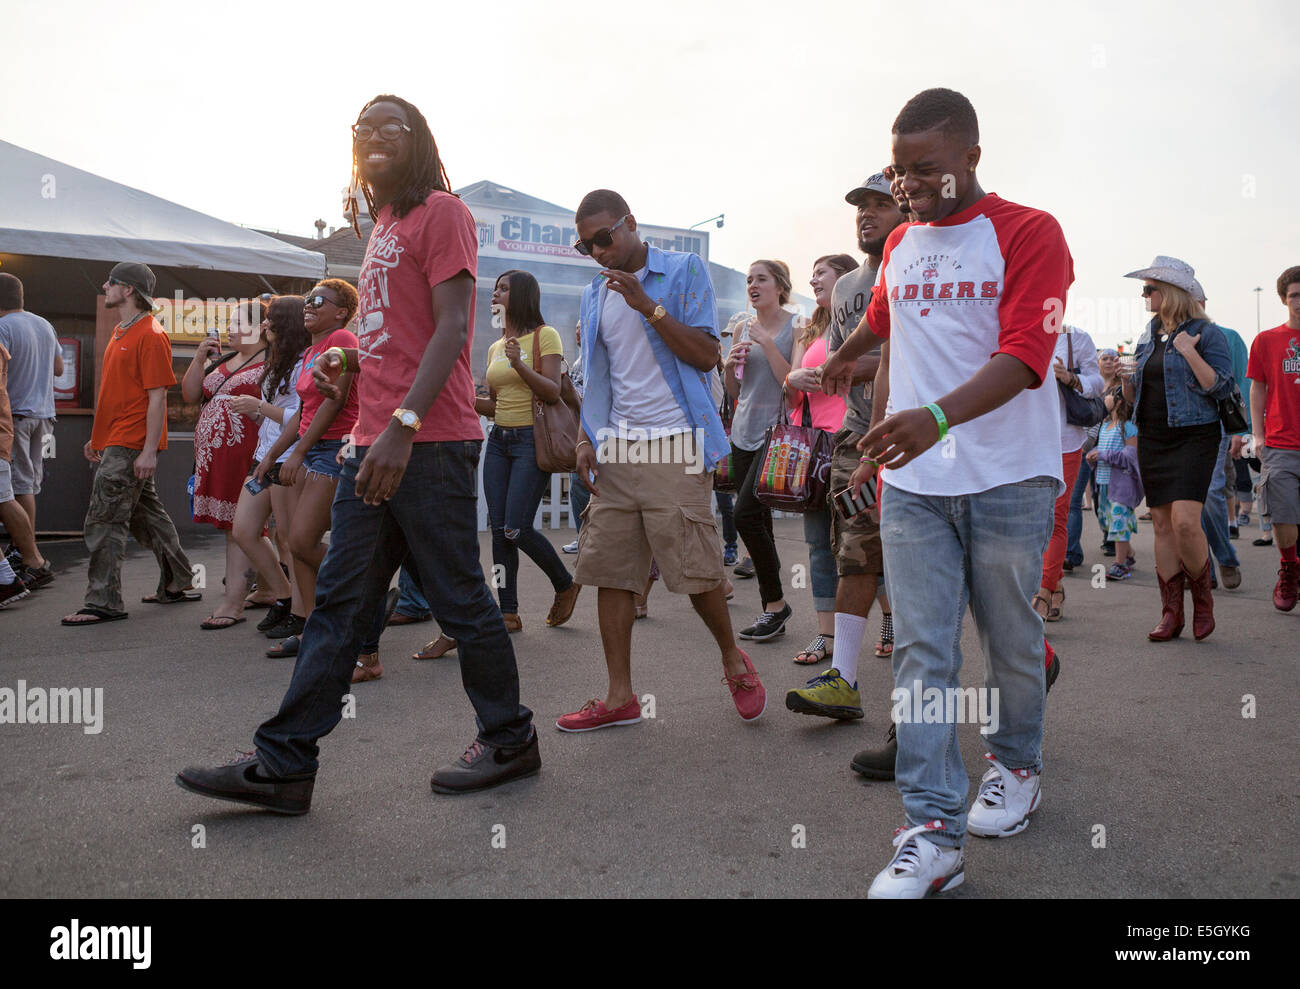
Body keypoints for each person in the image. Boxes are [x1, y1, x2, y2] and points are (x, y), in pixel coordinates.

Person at [177, 94, 537, 811]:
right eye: (361, 128)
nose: (373, 137)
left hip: (427, 443)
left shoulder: (442, 212)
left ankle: (509, 739)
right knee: (341, 607)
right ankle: (285, 763)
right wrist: (361, 381)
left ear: (419, 139)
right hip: (370, 445)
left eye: (389, 127)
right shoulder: (382, 223)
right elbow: (394, 336)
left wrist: (403, 422)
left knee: (462, 598)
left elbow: (453, 327)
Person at [821, 89, 1073, 898]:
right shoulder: (901, 241)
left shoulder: (1030, 232)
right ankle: (932, 832)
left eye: (925, 168)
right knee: (925, 650)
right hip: (916, 481)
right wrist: (843, 357)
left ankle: (1016, 765)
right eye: (898, 170)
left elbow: (1027, 354)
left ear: (970, 155)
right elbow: (890, 323)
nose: (908, 184)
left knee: (1009, 636)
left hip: (1006, 473)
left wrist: (935, 417)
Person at [556, 188, 764, 732]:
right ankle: (619, 696)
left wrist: (647, 306)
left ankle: (732, 659)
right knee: (610, 571)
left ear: (630, 223)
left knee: (696, 572)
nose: (599, 251)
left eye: (604, 237)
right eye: (586, 246)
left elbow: (705, 354)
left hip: (674, 443)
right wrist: (585, 440)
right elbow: (598, 380)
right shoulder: (593, 296)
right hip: (617, 449)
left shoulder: (682, 270)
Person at [788, 173, 905, 756]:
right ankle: (845, 681)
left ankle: (1032, 656)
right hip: (856, 438)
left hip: (918, 436)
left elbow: (902, 354)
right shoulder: (850, 286)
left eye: (880, 205)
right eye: (861, 206)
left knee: (919, 566)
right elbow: (842, 358)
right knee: (854, 555)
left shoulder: (918, 267)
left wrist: (850, 366)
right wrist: (817, 373)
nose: (867, 215)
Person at [62, 263, 195, 626]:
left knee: (105, 519)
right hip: (119, 441)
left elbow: (157, 399)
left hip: (131, 442)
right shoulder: (124, 330)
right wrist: (100, 438)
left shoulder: (150, 334)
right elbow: (121, 395)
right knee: (145, 515)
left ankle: (103, 601)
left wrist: (149, 450)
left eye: (112, 282)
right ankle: (178, 580)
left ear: (130, 290)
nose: (106, 285)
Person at [1120, 256, 1234, 642]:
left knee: (1186, 521)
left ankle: (1202, 602)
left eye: (1149, 288)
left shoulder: (1207, 333)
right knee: (1164, 525)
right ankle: (1171, 613)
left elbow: (1221, 387)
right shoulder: (1146, 335)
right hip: (1154, 436)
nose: (1143, 294)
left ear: (1170, 293)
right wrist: (1126, 381)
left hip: (1195, 435)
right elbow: (1136, 398)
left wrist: (1189, 351)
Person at [254, 278, 360, 656]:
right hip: (312, 446)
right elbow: (303, 411)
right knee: (297, 544)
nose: (309, 305)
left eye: (319, 300)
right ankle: (313, 628)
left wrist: (299, 453)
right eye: (308, 300)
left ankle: (364, 591)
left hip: (337, 447)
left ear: (341, 312)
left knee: (300, 539)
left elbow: (334, 401)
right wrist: (273, 454)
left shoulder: (343, 342)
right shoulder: (315, 347)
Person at [473, 269, 580, 631]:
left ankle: (565, 584)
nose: (495, 294)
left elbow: (550, 391)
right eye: (495, 287)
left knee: (517, 527)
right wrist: (466, 400)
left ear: (521, 296)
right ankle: (508, 612)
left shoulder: (544, 337)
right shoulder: (493, 346)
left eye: (503, 288)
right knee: (500, 526)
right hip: (499, 440)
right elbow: (497, 404)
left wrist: (519, 364)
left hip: (530, 442)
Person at [783, 254, 856, 666]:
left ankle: (889, 619)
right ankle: (826, 635)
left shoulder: (863, 322)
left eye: (820, 274)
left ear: (846, 280)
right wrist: (791, 379)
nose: (812, 281)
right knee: (818, 545)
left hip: (853, 443)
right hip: (813, 452)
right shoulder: (810, 330)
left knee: (859, 542)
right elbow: (792, 391)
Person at [181, 300, 269, 629]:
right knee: (237, 528)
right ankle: (270, 588)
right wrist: (200, 357)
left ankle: (234, 601)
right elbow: (190, 394)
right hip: (213, 457)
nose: (231, 328)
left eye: (239, 322)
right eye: (229, 323)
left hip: (247, 454)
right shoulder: (227, 359)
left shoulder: (272, 362)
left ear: (262, 326)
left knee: (241, 529)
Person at [723, 260, 796, 642]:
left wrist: (767, 344)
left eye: (761, 279)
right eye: (749, 279)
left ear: (780, 287)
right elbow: (736, 393)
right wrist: (728, 367)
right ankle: (775, 607)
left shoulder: (795, 326)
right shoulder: (739, 328)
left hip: (777, 435)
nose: (753, 285)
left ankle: (776, 605)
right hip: (743, 431)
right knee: (759, 520)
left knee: (744, 515)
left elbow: (794, 387)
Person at [229, 295, 310, 637]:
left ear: (286, 323)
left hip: (289, 457)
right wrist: (254, 410)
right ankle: (284, 595)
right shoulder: (278, 359)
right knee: (244, 530)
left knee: (292, 539)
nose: (264, 324)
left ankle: (301, 612)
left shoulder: (306, 362)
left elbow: (306, 416)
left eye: (270, 318)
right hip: (265, 455)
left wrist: (259, 408)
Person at [1034, 325, 1103, 619]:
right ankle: (1056, 584)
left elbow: (1098, 382)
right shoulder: (1012, 328)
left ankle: (1044, 591)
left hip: (1064, 440)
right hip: (1022, 439)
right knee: (1033, 520)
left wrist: (1071, 378)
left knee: (1057, 515)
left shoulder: (1075, 337)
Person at [0, 273, 60, 589]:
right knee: (29, 485)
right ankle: (25, 551)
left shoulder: (3, 328)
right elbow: (60, 369)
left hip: (16, 415)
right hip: (45, 414)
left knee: (18, 487)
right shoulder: (43, 324)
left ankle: (28, 556)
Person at [1246, 265, 1300, 611]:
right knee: (1282, 514)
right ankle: (1289, 569)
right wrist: (1258, 434)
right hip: (1281, 443)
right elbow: (1258, 388)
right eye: (1294, 295)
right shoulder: (1267, 340)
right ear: (1283, 299)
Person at [1192, 282, 1246, 588]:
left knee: (1210, 493)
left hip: (1217, 427)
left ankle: (1225, 556)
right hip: (1178, 432)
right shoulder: (1165, 337)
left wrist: (1243, 430)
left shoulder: (1229, 337)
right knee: (1188, 501)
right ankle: (1204, 570)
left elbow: (1241, 383)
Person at [1065, 348, 1119, 570]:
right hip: (1087, 447)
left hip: (1109, 446)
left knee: (1108, 497)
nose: (1107, 362)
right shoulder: (1091, 385)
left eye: (1111, 358)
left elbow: (1098, 418)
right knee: (1082, 498)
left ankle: (1113, 539)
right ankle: (1071, 552)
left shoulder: (1120, 388)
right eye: (1104, 358)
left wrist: (1085, 444)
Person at [1088, 390, 1140, 579]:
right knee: (1106, 521)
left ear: (1118, 402)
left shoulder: (1128, 427)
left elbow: (1131, 456)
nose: (1105, 399)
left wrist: (1103, 455)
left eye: (1109, 396)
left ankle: (1120, 564)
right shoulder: (1105, 426)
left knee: (1118, 522)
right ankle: (1129, 553)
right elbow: (1102, 448)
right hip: (1103, 483)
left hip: (1121, 485)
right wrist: (1093, 453)